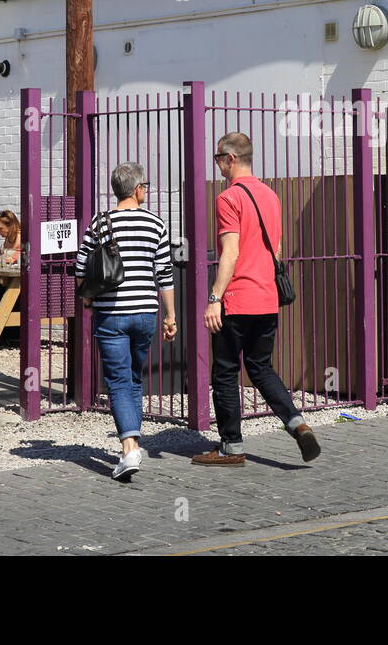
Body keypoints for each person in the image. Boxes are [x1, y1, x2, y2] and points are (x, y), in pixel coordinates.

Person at [192, 132, 320, 467]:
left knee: (224, 372)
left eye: (219, 158)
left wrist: (214, 297)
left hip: (236, 298)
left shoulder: (229, 198)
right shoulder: (270, 196)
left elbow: (230, 253)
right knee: (261, 367)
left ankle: (231, 447)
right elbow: (274, 249)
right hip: (266, 298)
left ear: (231, 159)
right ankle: (297, 422)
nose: (217, 164)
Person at [75, 163, 177, 481]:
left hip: (112, 314)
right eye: (145, 184)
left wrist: (88, 298)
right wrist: (171, 315)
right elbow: (165, 274)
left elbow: (81, 268)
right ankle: (132, 444)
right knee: (133, 379)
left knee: (118, 381)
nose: (146, 189)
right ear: (137, 189)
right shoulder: (155, 224)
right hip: (146, 314)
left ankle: (129, 448)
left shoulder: (100, 223)